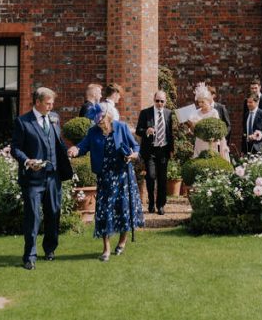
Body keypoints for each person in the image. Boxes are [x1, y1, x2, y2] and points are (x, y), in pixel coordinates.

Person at [69, 103, 144, 261]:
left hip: (123, 175)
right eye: (97, 121)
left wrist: (134, 155)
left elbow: (136, 146)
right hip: (105, 177)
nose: (100, 122)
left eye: (102, 119)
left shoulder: (121, 127)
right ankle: (106, 248)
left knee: (123, 208)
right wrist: (75, 149)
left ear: (108, 115)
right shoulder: (93, 132)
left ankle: (122, 242)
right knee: (104, 211)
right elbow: (83, 146)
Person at [11, 87, 71, 268]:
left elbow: (57, 143)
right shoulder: (23, 122)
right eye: (48, 103)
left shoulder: (54, 119)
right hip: (33, 179)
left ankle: (50, 249)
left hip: (53, 176)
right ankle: (30, 256)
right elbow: (15, 148)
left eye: (52, 103)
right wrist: (27, 160)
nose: (51, 106)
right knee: (33, 216)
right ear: (37, 102)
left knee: (53, 213)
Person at [135, 90, 173, 215]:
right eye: (157, 101)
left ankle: (161, 205)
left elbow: (170, 133)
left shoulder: (169, 114)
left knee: (162, 179)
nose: (160, 103)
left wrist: (172, 149)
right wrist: (147, 130)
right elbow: (138, 130)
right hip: (150, 151)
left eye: (162, 101)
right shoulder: (146, 113)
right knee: (151, 176)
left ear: (165, 101)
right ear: (154, 100)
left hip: (163, 150)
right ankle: (151, 202)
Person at [188, 84, 229, 161]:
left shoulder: (214, 112)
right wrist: (191, 127)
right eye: (199, 102)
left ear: (208, 101)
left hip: (210, 142)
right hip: (199, 142)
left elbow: (216, 129)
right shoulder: (195, 112)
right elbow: (191, 129)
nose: (200, 104)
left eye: (202, 102)